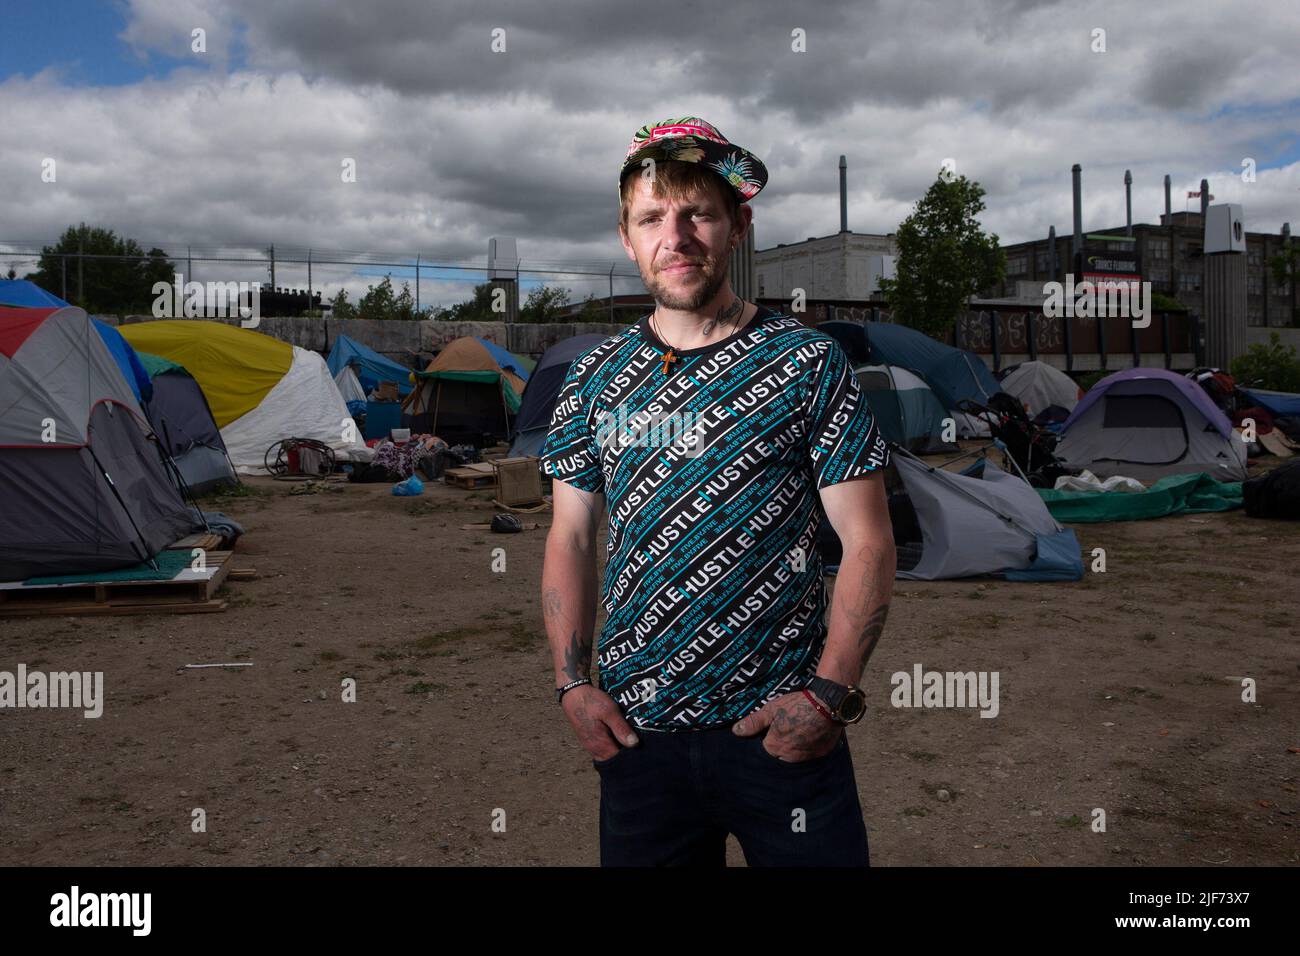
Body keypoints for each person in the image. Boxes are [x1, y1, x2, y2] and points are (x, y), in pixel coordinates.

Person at [540, 116, 896, 867]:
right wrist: (573, 685)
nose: (677, 236)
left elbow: (869, 539)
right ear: (627, 238)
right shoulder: (593, 379)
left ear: (738, 224)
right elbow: (571, 535)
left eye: (698, 212)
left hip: (782, 735)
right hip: (640, 742)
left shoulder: (808, 363)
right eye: (651, 218)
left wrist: (829, 696)